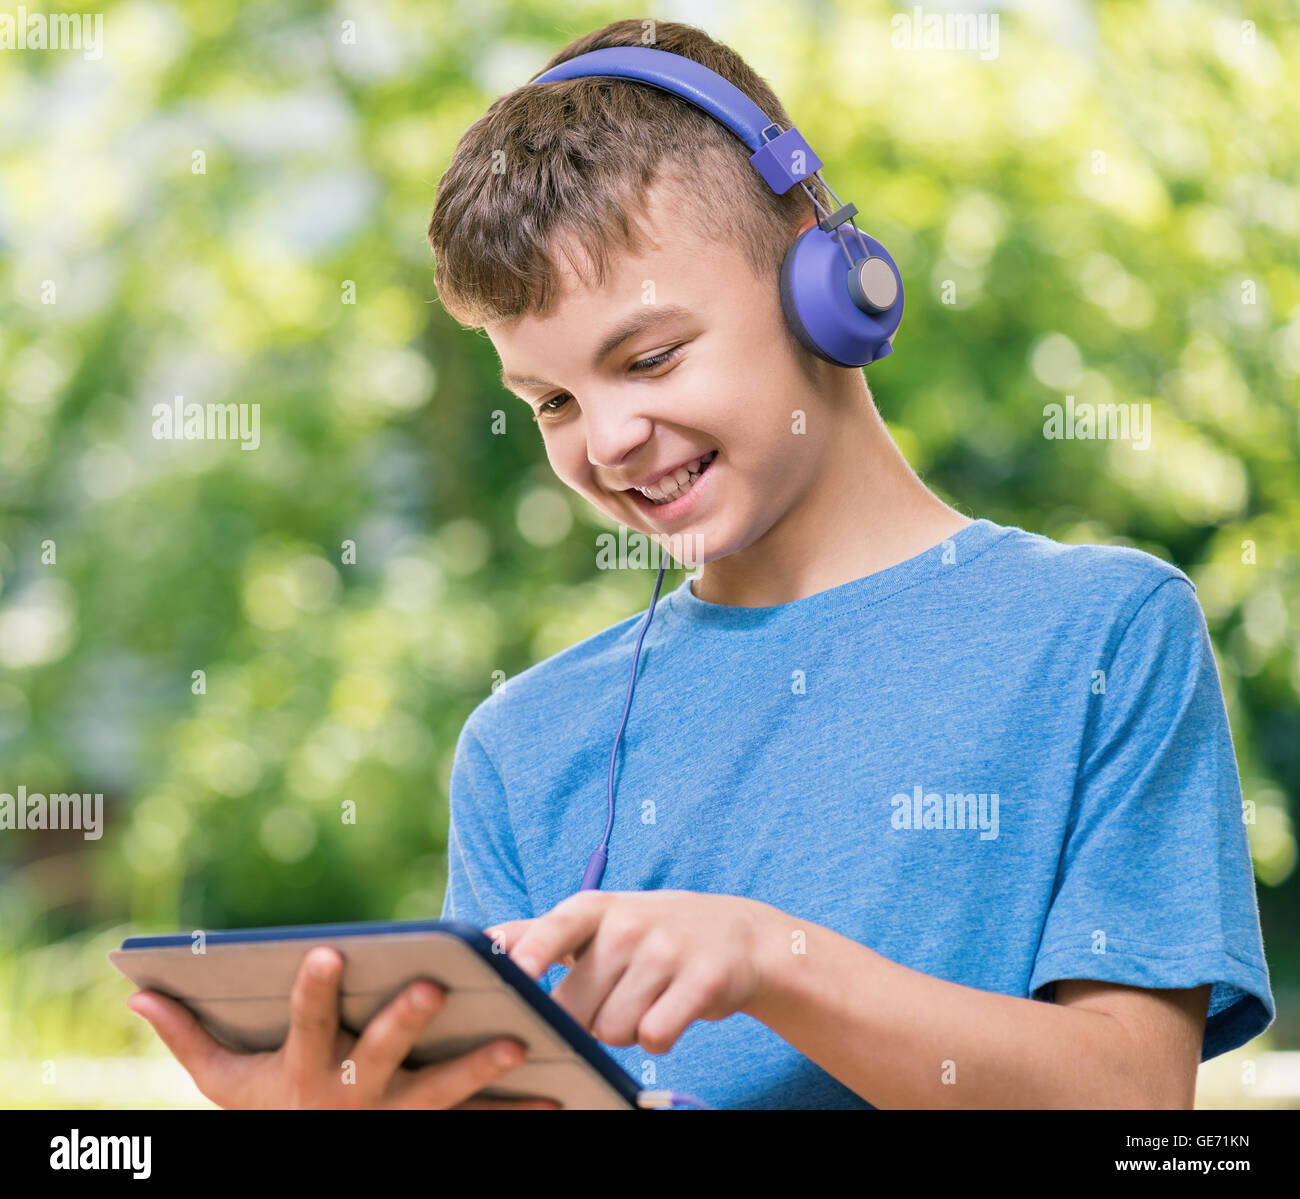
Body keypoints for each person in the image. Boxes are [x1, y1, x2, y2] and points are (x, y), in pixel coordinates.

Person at [128, 18, 1273, 1110]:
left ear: (824, 284)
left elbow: (1131, 1101)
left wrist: (766, 957)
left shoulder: (1103, 635)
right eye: (555, 400)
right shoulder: (524, 746)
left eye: (652, 356)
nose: (609, 438)